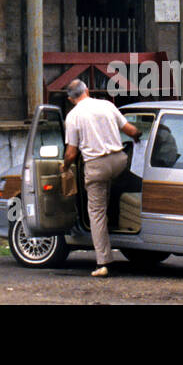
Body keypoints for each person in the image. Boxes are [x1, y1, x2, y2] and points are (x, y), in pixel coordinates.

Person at [61, 79, 141, 278]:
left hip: (97, 166)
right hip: (120, 162)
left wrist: (65, 167)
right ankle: (123, 217)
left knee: (96, 213)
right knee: (118, 186)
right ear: (87, 90)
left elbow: (71, 154)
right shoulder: (107, 105)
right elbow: (131, 131)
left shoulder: (73, 116)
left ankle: (103, 262)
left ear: (71, 99)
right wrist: (140, 140)